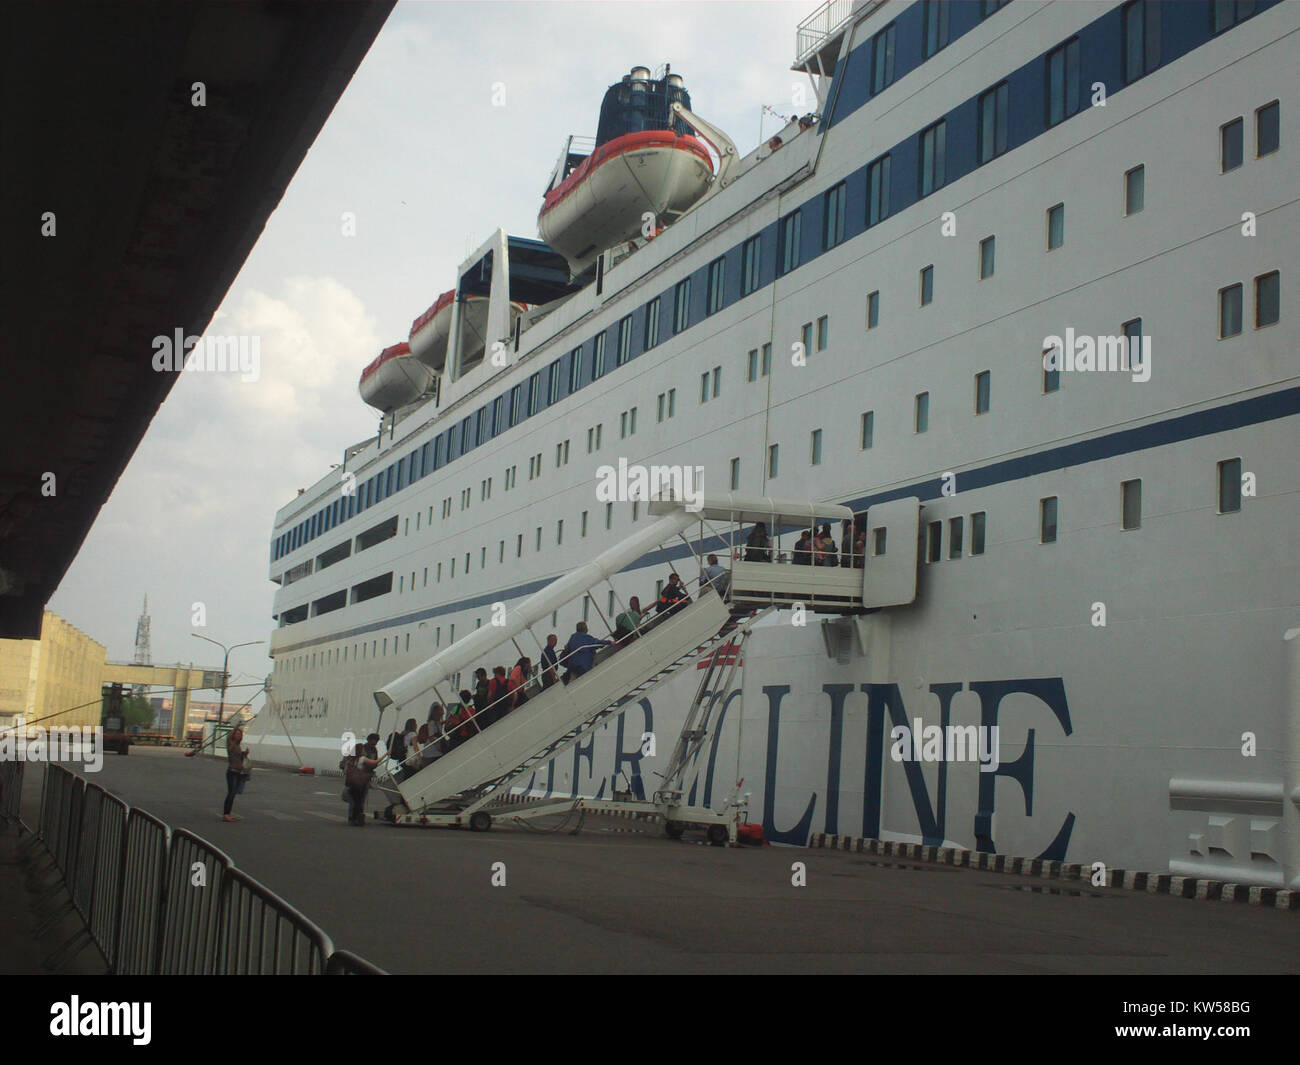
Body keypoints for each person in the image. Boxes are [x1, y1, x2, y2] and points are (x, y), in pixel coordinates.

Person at [343, 741, 381, 826]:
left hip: (351, 783)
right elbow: (375, 762)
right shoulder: (362, 759)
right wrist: (386, 755)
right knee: (359, 802)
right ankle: (357, 818)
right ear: (360, 751)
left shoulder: (350, 759)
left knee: (353, 801)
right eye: (363, 749)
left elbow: (345, 771)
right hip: (360, 783)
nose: (364, 751)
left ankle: (352, 818)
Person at [222, 726, 250, 822]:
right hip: (232, 772)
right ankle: (226, 814)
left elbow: (238, 758)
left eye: (240, 734)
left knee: (233, 794)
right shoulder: (231, 744)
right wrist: (236, 727)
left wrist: (244, 754)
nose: (239, 736)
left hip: (238, 772)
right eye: (237, 734)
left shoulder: (238, 746)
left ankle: (228, 813)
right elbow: (230, 748)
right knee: (231, 793)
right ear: (233, 735)